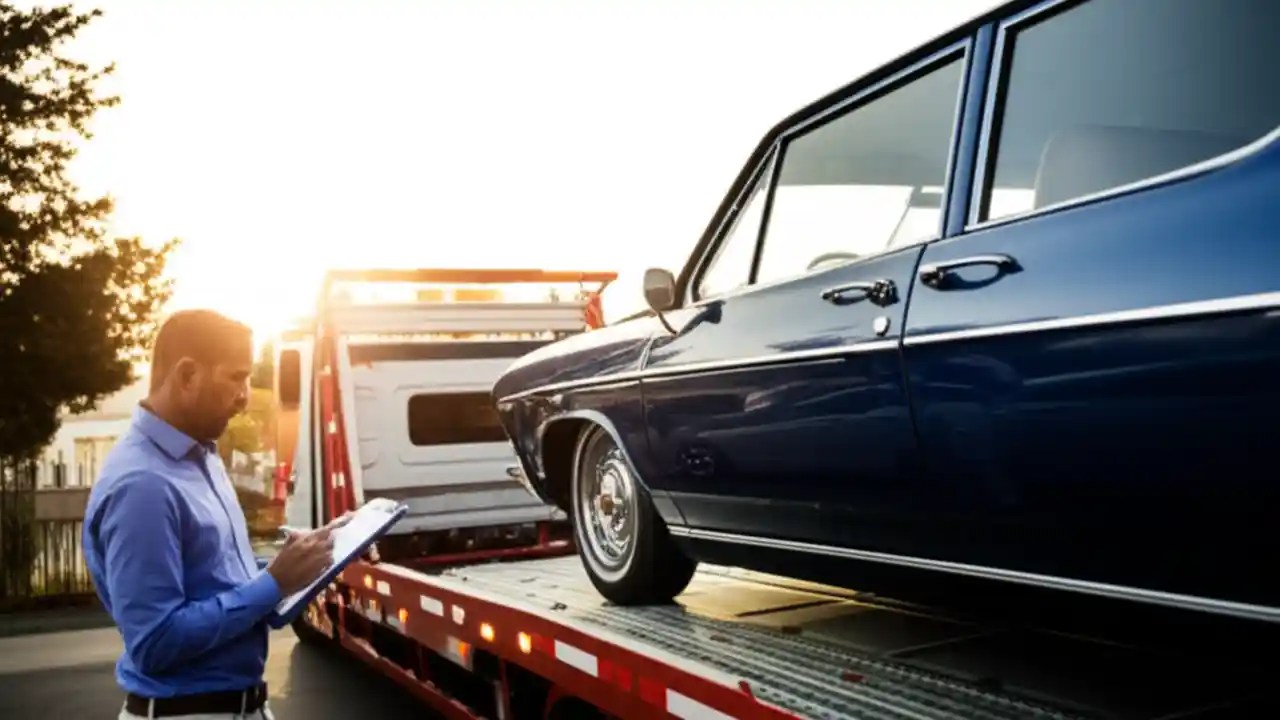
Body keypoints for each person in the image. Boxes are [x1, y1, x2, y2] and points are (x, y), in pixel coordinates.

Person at [83, 309, 336, 719]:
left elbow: (215, 577)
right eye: (237, 377)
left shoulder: (201, 455)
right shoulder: (143, 484)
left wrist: (302, 563)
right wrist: (272, 583)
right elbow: (154, 643)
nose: (246, 395)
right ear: (187, 376)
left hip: (242, 706)